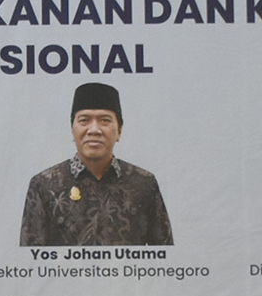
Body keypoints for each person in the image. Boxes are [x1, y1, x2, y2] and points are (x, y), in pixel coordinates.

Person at [19, 82, 173, 246]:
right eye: (84, 120)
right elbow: (29, 263)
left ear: (119, 131)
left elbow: (165, 259)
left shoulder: (144, 183)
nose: (94, 130)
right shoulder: (44, 185)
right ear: (73, 130)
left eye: (105, 120)